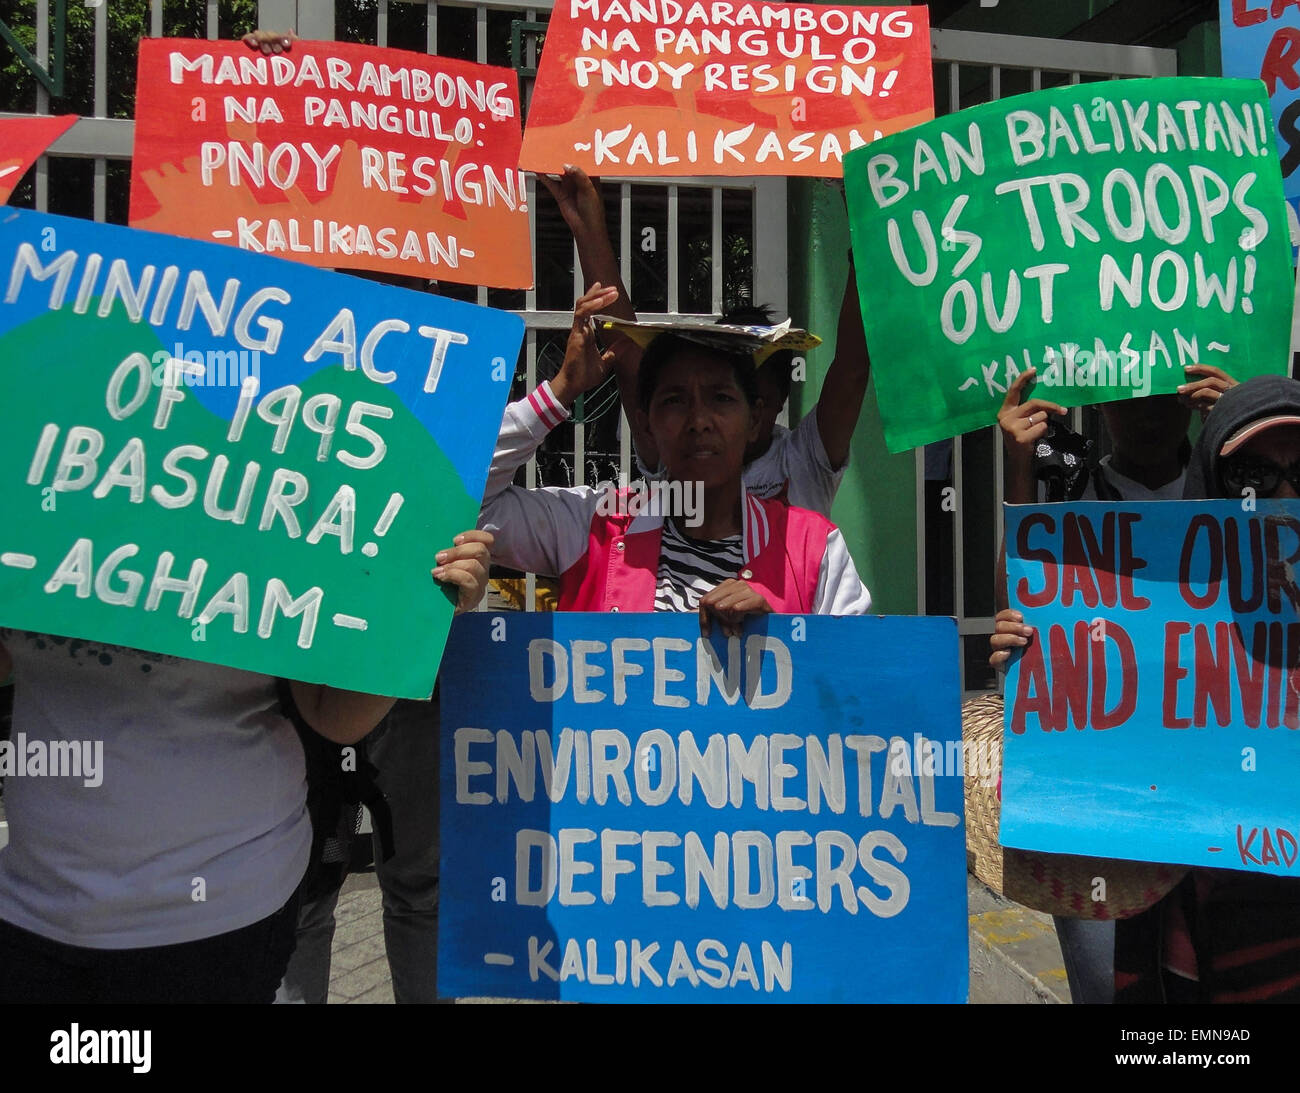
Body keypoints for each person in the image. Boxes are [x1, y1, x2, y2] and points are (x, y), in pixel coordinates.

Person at [0, 530, 490, 1004]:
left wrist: (425, 614)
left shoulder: (274, 485)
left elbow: (332, 714)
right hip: (34, 905)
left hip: (220, 916)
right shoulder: (41, 466)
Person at [992, 372, 1300, 1004]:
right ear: (1099, 401)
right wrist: (1016, 474)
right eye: (1132, 394)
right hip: (1115, 808)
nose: (1150, 413)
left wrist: (1243, 423)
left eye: (1165, 391)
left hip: (1244, 844)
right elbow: (1023, 607)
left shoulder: (1239, 490)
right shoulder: (1068, 485)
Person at [479, 283, 873, 620]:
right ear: (645, 423)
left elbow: (856, 688)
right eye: (674, 400)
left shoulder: (815, 549)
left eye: (721, 398)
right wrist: (561, 390)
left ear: (754, 420)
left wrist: (780, 641)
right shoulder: (595, 524)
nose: (699, 420)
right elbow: (466, 500)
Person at [541, 166, 870, 518]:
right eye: (718, 394)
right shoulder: (682, 451)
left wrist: (866, 225)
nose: (709, 420)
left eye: (738, 398)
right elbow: (626, 354)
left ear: (771, 406)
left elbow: (851, 371)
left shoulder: (804, 458)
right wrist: (586, 226)